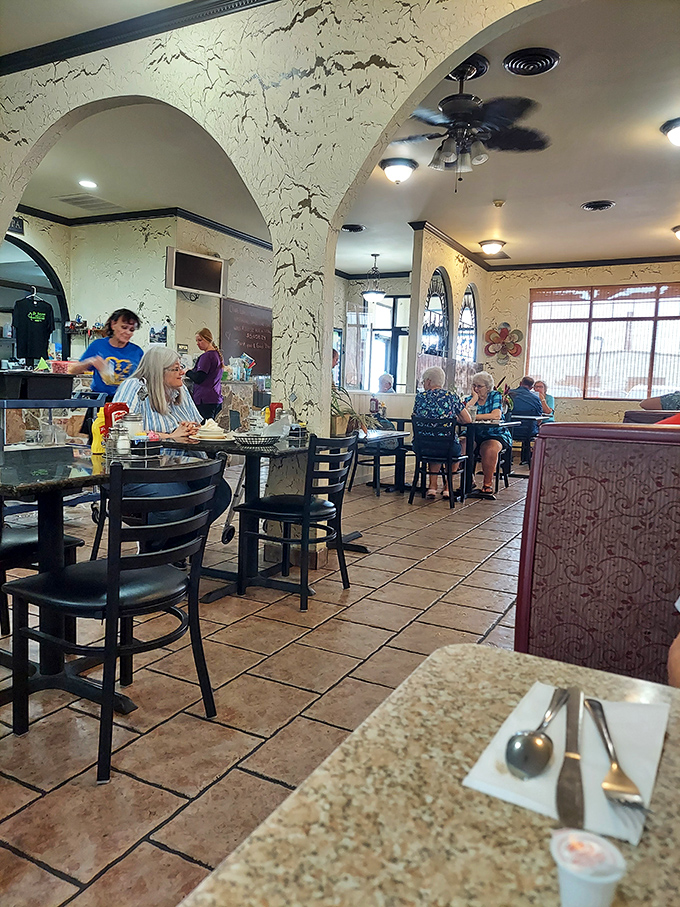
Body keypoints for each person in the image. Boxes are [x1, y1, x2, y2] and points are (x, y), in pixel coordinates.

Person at [113, 346, 232, 528]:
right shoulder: (136, 387)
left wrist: (192, 429)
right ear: (158, 371)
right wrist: (169, 436)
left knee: (220, 493)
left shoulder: (180, 391)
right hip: (142, 469)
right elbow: (120, 431)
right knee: (178, 502)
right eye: (176, 369)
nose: (182, 372)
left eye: (181, 367)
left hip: (181, 467)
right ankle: (154, 544)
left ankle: (184, 542)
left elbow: (196, 424)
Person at [412, 365, 471, 499]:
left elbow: (416, 415)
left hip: (423, 447)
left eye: (423, 382)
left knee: (434, 441)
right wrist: (453, 418)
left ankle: (432, 487)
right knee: (457, 445)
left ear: (428, 381)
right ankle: (447, 487)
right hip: (447, 447)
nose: (423, 384)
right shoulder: (451, 397)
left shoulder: (420, 397)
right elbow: (467, 419)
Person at [70, 308, 143, 399]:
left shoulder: (137, 352)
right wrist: (90, 362)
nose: (127, 332)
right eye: (124, 327)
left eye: (131, 330)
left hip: (126, 399)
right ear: (113, 324)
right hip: (100, 399)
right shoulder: (98, 346)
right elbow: (72, 370)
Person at [462, 371, 512, 495]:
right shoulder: (469, 400)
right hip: (474, 434)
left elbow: (496, 415)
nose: (476, 389)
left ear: (488, 387)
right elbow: (464, 417)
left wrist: (474, 417)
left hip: (495, 433)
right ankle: (469, 481)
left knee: (489, 449)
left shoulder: (495, 396)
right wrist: (474, 399)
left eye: (479, 386)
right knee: (462, 445)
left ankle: (487, 484)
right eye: (474, 386)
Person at [185, 328, 224, 422]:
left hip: (205, 399)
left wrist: (187, 372)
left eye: (200, 340)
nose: (197, 343)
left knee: (204, 427)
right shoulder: (216, 355)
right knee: (211, 425)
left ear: (208, 340)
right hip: (215, 397)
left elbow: (199, 378)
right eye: (196, 341)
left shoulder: (206, 356)